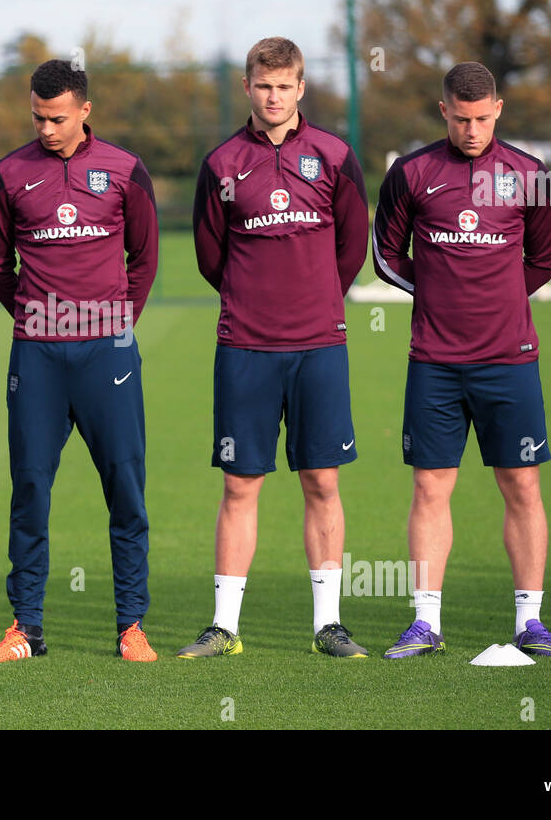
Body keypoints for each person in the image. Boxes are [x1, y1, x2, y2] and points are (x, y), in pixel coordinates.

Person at [178, 37, 370, 660]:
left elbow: (350, 247)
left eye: (285, 86)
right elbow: (211, 255)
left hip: (319, 343)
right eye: (264, 86)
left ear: (301, 88)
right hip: (246, 346)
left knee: (321, 479)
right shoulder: (222, 162)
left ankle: (328, 626)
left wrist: (314, 299)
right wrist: (252, 297)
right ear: (248, 88)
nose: (274, 96)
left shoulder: (335, 156)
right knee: (240, 485)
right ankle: (224, 626)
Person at [372, 62, 551, 659]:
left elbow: (545, 258)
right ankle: (425, 623)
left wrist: (497, 303)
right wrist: (437, 292)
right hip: (434, 360)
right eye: (461, 119)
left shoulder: (530, 175)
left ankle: (531, 622)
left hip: (509, 359)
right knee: (431, 486)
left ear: (499, 110)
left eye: (482, 119)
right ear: (443, 111)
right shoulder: (411, 172)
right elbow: (385, 256)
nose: (473, 130)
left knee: (522, 486)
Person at [0, 59, 159, 662]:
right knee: (30, 487)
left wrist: (115, 320)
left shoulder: (125, 169)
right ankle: (25, 627)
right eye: (37, 117)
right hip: (37, 355)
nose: (46, 129)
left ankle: (131, 625)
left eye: (57, 118)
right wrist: (36, 316)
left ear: (84, 111)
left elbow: (146, 257)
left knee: (125, 487)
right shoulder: (8, 174)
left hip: (107, 352)